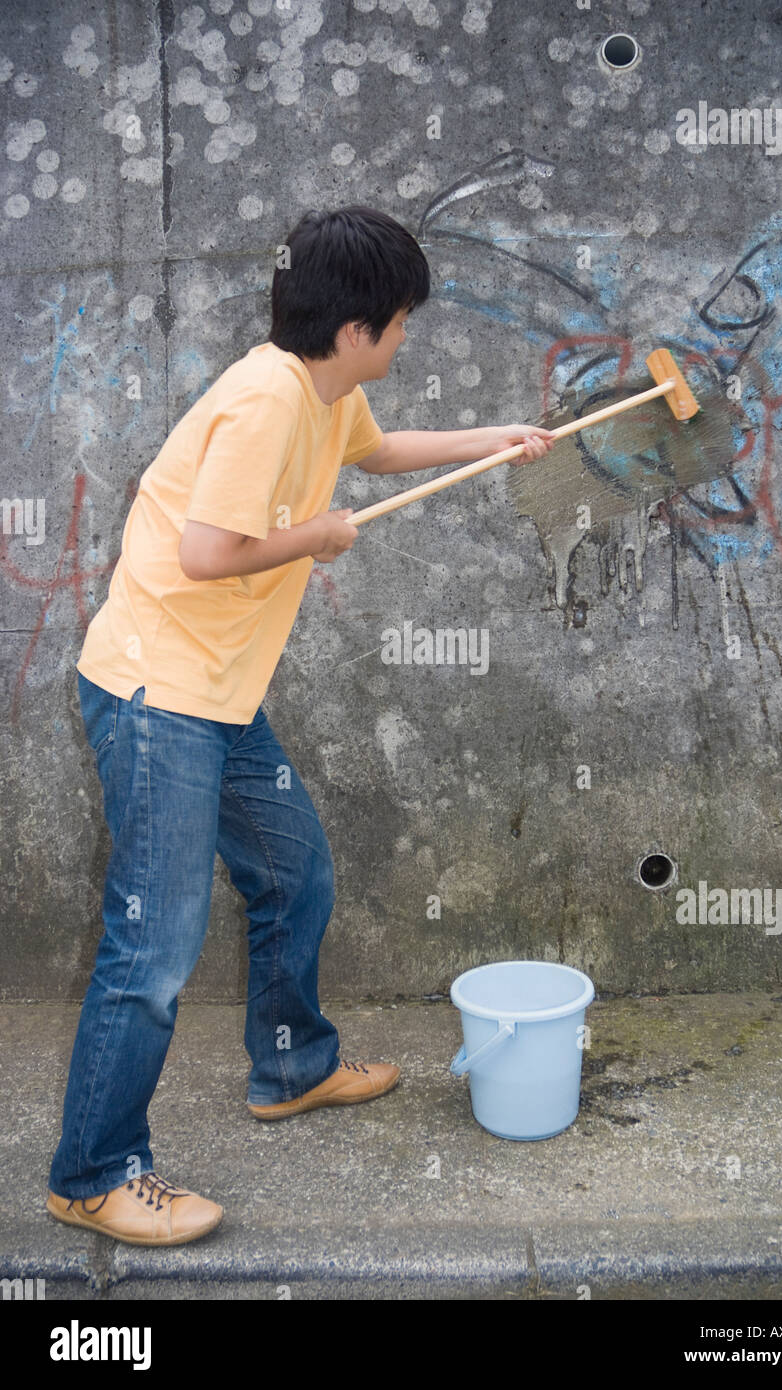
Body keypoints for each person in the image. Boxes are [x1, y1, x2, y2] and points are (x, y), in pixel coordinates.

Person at [46, 205, 554, 1246]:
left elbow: (375, 452)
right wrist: (307, 537)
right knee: (153, 947)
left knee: (293, 872)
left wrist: (496, 440)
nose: (407, 337)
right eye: (403, 321)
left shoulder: (322, 392)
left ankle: (290, 1068)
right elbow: (204, 552)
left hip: (218, 693)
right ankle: (92, 1174)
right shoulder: (268, 403)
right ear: (358, 327)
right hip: (160, 697)